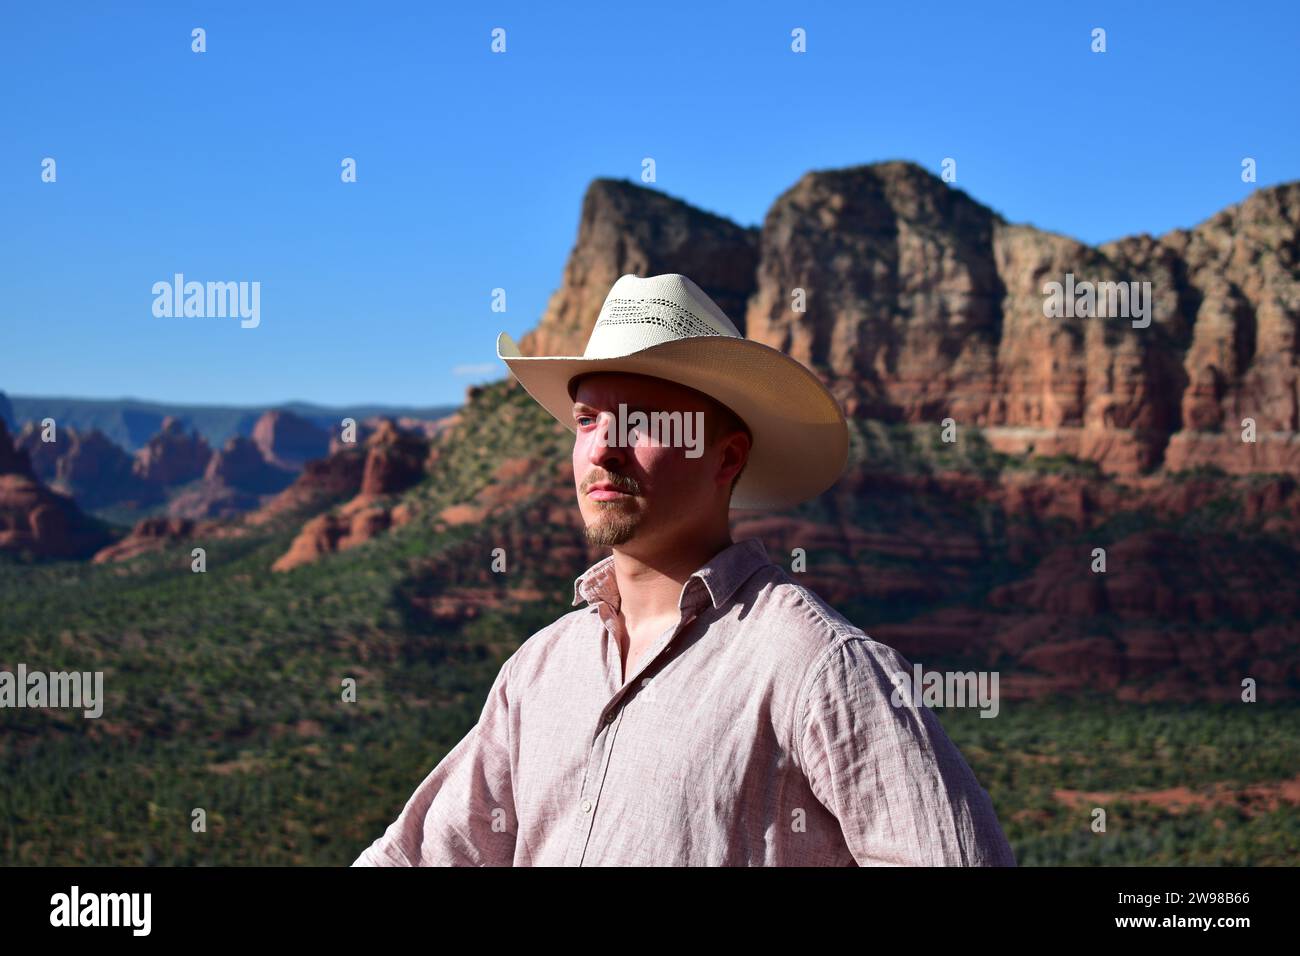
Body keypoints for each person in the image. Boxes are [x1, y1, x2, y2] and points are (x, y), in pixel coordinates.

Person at [353, 273, 1016, 866]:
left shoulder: (814, 665)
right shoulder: (540, 669)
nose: (603, 449)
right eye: (587, 420)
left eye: (642, 423)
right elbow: (424, 855)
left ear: (726, 459)